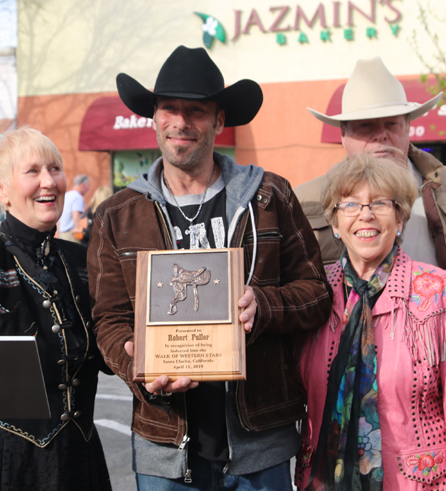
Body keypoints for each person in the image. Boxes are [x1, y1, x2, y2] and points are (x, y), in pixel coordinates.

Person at [88, 45, 332, 489]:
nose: (181, 122)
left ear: (220, 120)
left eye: (196, 111)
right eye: (169, 109)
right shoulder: (117, 215)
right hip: (165, 446)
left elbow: (316, 292)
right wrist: (139, 368)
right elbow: (108, 320)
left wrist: (264, 305)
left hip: (260, 443)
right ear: (154, 117)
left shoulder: (269, 198)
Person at [296, 57, 446, 430]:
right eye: (367, 127)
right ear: (344, 137)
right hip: (345, 391)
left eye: (391, 125)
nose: (382, 136)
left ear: (409, 128)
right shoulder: (308, 202)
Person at [297, 152, 446, 490]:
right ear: (334, 223)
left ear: (401, 218)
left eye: (380, 203)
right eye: (350, 205)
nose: (366, 215)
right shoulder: (313, 297)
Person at [0, 127, 111, 491]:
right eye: (33, 171)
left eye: (55, 169)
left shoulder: (80, 259)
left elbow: (110, 352)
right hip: (6, 469)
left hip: (81, 461)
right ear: (0, 189)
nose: (49, 182)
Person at [57, 174, 90, 242]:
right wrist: (79, 230)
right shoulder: (78, 197)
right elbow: (76, 217)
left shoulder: (67, 195)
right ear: (82, 185)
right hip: (71, 235)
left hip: (62, 234)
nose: (88, 189)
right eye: (88, 186)